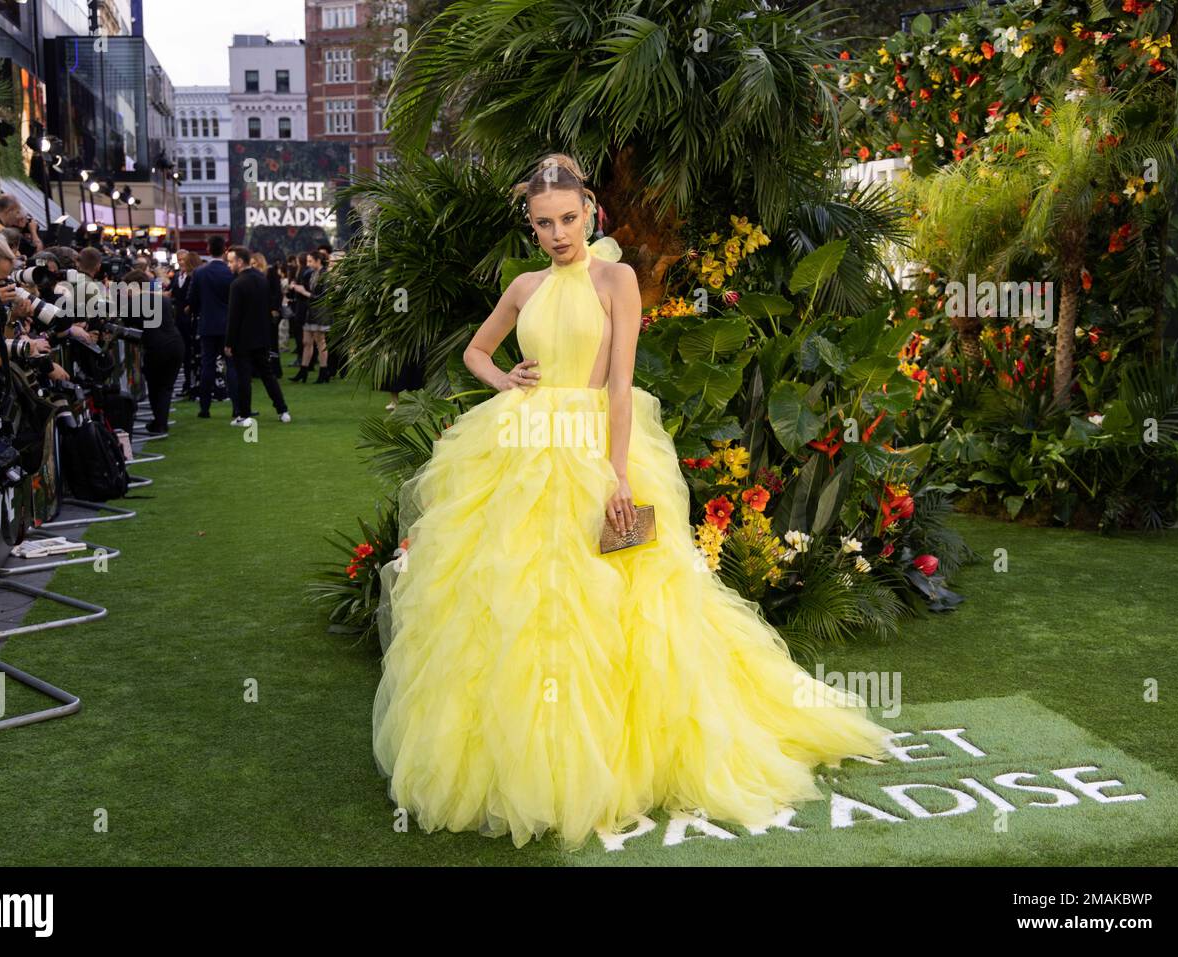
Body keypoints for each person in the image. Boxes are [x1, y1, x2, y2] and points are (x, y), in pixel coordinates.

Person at [371, 154, 892, 850]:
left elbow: (620, 385)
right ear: (531, 225)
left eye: (567, 217)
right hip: (522, 442)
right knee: (511, 594)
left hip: (596, 445)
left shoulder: (616, 280)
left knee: (620, 600)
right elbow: (475, 352)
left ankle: (617, 753)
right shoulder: (524, 286)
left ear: (588, 209)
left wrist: (616, 476)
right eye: (543, 223)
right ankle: (526, 756)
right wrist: (506, 380)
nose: (558, 232)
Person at [225, 246, 290, 425]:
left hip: (242, 339)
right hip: (262, 336)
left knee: (244, 377)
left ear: (240, 261)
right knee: (268, 375)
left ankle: (244, 415)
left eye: (231, 261)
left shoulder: (237, 284)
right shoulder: (261, 279)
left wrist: (229, 342)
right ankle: (283, 410)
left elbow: (234, 316)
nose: (229, 265)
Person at [120, 269, 185, 435]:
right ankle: (160, 422)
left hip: (156, 349)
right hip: (175, 345)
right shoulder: (161, 299)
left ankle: (160, 423)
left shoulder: (134, 303)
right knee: (165, 387)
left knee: (156, 387)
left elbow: (123, 323)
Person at [188, 235, 238, 419]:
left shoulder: (200, 273)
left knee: (207, 366)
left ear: (208, 249)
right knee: (231, 365)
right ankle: (237, 408)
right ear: (225, 250)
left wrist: (195, 310)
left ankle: (205, 408)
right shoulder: (231, 272)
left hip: (208, 325)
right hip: (228, 326)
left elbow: (192, 299)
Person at [291, 250, 332, 383]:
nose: (307, 264)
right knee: (306, 342)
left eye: (310, 261)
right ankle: (303, 371)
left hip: (320, 312)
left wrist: (304, 292)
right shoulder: (313, 273)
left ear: (318, 261)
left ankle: (323, 371)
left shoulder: (325, 274)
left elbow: (323, 296)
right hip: (311, 312)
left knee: (320, 343)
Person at [172, 249, 201, 397]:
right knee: (185, 354)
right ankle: (187, 384)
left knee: (192, 354)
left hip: (191, 320)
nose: (181, 262)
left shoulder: (195, 277)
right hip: (179, 321)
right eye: (179, 259)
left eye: (183, 259)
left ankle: (194, 385)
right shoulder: (177, 276)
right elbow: (170, 293)